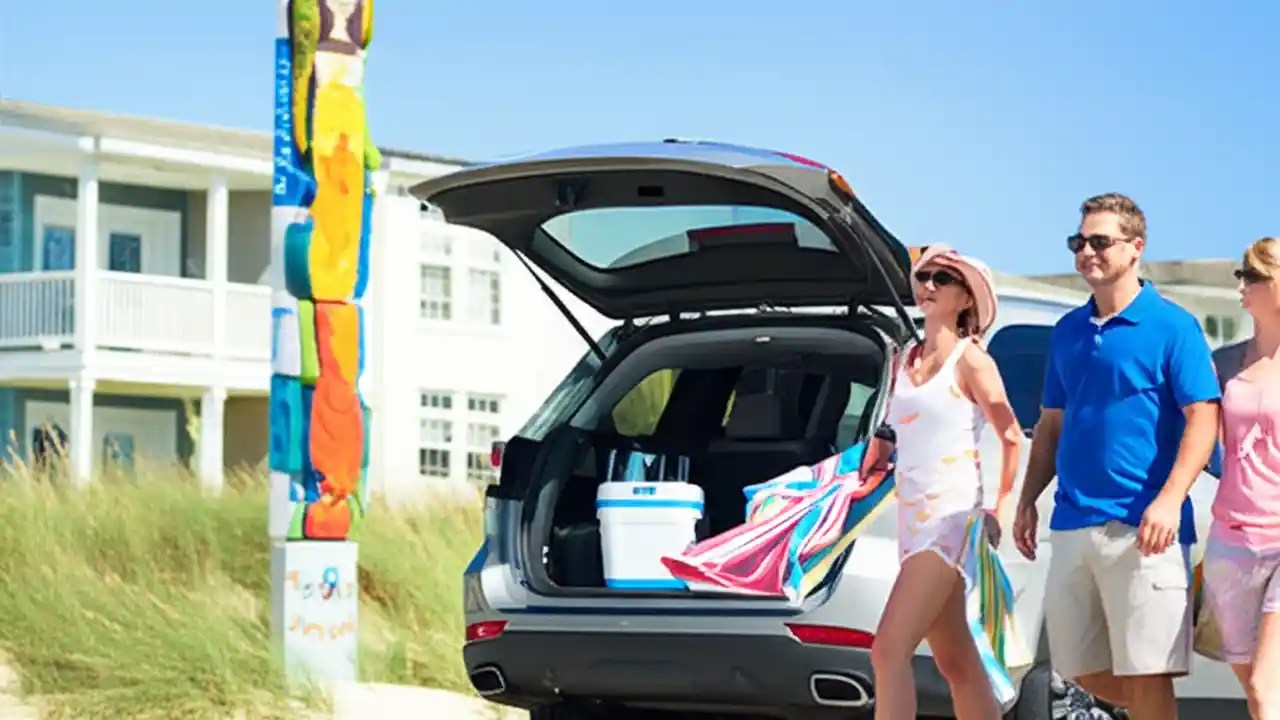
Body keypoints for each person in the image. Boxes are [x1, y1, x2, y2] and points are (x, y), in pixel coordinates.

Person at [1011, 193, 1221, 720]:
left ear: (1135, 248)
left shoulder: (1174, 326)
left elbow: (1203, 417)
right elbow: (1052, 424)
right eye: (1078, 242)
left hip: (1146, 528)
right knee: (1079, 670)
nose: (1087, 252)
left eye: (1100, 241)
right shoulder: (1067, 333)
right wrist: (1028, 500)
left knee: (1146, 672)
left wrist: (1170, 501)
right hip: (1073, 523)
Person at [871, 243, 1023, 720]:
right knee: (955, 660)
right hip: (910, 522)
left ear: (966, 299)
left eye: (942, 279)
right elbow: (895, 434)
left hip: (948, 522)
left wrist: (1001, 510)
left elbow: (1013, 437)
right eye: (924, 277)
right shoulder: (903, 360)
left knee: (887, 650)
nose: (928, 286)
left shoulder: (972, 362)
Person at [1202, 236, 1280, 720]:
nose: (1241, 285)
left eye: (1251, 275)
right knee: (1256, 692)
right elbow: (1192, 433)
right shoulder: (1224, 362)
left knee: (1264, 684)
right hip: (1231, 541)